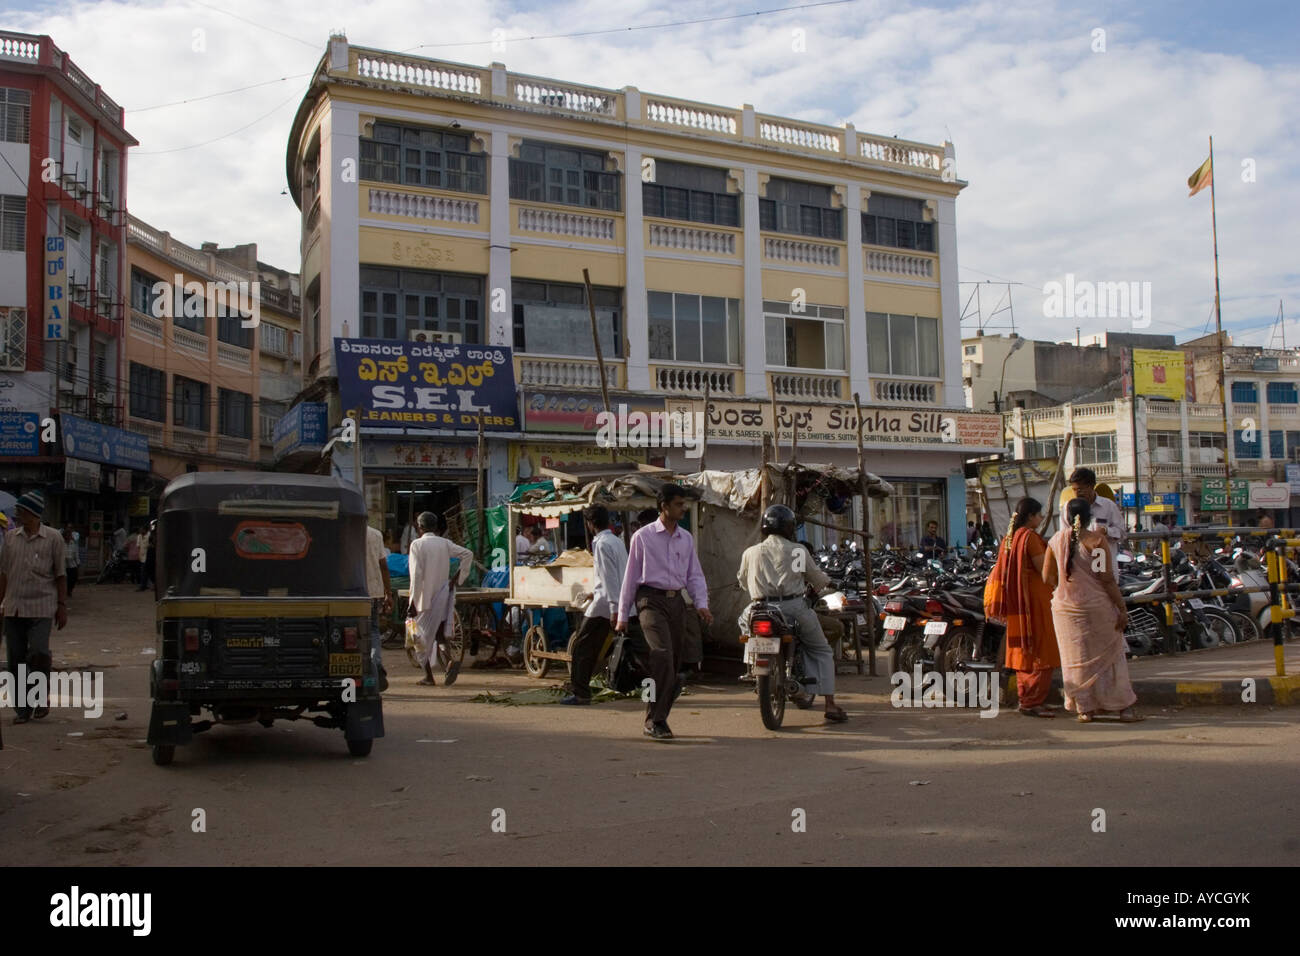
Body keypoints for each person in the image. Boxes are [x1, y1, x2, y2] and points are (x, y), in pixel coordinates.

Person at [616, 484, 712, 740]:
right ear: (664, 506)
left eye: (683, 504)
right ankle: (655, 720)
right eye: (679, 504)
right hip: (650, 602)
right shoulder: (643, 537)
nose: (683, 509)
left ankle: (657, 717)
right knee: (662, 656)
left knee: (677, 665)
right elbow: (630, 578)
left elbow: (694, 575)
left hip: (677, 603)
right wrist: (622, 616)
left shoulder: (686, 538)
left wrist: (702, 604)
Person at [736, 504, 847, 722]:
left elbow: (741, 581)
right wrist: (828, 583)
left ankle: (752, 663)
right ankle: (830, 705)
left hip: (759, 607)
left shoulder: (751, 552)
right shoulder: (798, 550)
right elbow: (817, 578)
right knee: (821, 650)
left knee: (744, 625)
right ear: (789, 527)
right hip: (794, 608)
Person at [1042, 496, 1142, 722]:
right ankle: (1123, 708)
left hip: (1065, 610)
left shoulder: (1056, 541)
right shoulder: (1096, 541)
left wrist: (1066, 587)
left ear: (1066, 519)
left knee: (1075, 658)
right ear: (1089, 519)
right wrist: (1122, 608)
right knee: (1112, 657)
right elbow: (1106, 579)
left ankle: (1085, 709)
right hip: (1097, 606)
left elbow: (1047, 576)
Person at [0, 491, 67, 724]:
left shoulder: (53, 538)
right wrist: (1, 603)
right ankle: (22, 710)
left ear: (34, 514)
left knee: (38, 653)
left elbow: (60, 575)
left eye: (21, 511)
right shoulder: (10, 538)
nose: (17, 515)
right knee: (15, 660)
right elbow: (4, 574)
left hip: (42, 607)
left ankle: (39, 698)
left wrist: (62, 606)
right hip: (14, 607)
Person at [562, 505, 637, 705]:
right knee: (595, 647)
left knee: (582, 647)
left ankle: (581, 692)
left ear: (590, 524)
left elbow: (609, 577)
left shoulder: (602, 544)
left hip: (606, 605)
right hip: (616, 601)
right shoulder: (616, 541)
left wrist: (614, 609)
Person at [993, 497, 1060, 717]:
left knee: (1025, 651)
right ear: (1031, 516)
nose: (1041, 519)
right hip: (1035, 602)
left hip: (1018, 603)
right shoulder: (1029, 538)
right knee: (1042, 650)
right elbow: (1045, 571)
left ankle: (1028, 700)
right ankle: (1032, 702)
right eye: (1039, 515)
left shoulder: (1010, 538)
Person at [406, 511, 473, 687]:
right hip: (443, 596)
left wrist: (412, 602)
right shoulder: (444, 543)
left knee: (417, 638)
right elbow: (468, 554)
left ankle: (429, 676)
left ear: (419, 527)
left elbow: (416, 575)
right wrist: (456, 579)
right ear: (436, 527)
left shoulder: (417, 545)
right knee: (439, 635)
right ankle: (450, 660)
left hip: (423, 599)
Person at [1067, 468, 1124, 580]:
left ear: (1091, 486)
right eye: (1074, 490)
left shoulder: (1109, 506)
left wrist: (1106, 531)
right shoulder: (1068, 508)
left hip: (1104, 571)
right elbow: (1065, 535)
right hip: (1080, 574)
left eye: (1081, 489)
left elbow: (1122, 533)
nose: (1078, 493)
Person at [364, 523, 392, 693]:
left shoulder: (344, 531)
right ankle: (376, 664)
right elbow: (383, 565)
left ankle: (366, 670)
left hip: (353, 594)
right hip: (374, 592)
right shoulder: (375, 534)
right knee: (373, 630)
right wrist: (388, 592)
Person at [137, 520, 156, 592]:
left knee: (149, 572)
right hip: (142, 557)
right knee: (143, 572)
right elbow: (139, 547)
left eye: (141, 529)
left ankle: (146, 586)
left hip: (149, 556)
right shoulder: (139, 536)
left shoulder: (150, 535)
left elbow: (152, 545)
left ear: (145, 529)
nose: (140, 530)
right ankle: (144, 586)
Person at [62, 524, 81, 596]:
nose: (68, 536)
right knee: (64, 580)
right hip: (63, 565)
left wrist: (78, 563)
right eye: (66, 535)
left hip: (72, 564)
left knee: (73, 579)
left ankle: (70, 590)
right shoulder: (61, 543)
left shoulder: (73, 544)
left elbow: (76, 554)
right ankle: (65, 591)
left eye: (69, 535)